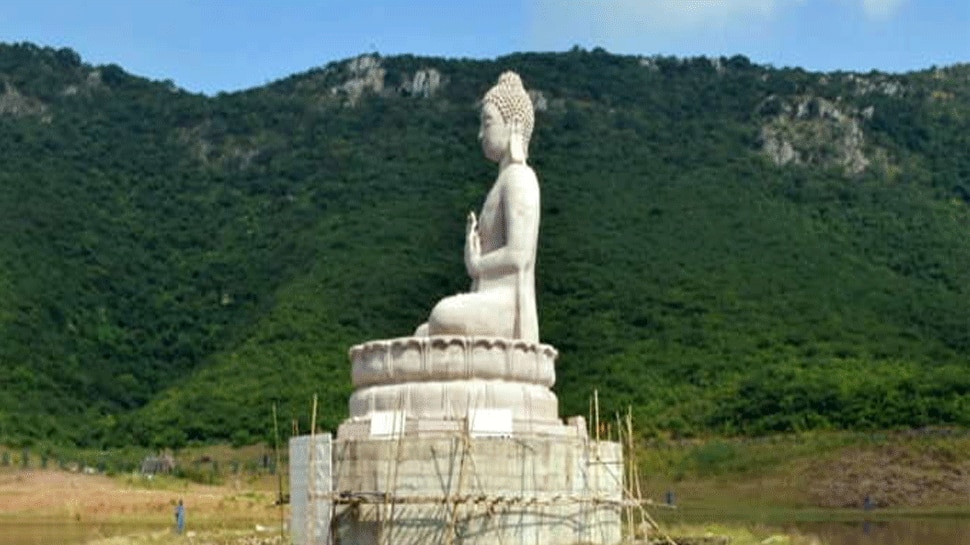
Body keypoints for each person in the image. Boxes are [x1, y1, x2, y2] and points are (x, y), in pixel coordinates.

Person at [415, 71, 540, 342]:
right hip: (486, 296)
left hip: (507, 305)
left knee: (441, 316)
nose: (481, 133)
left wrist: (477, 264)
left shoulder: (520, 177)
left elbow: (519, 255)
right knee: (422, 333)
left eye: (487, 122)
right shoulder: (502, 182)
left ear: (514, 124)